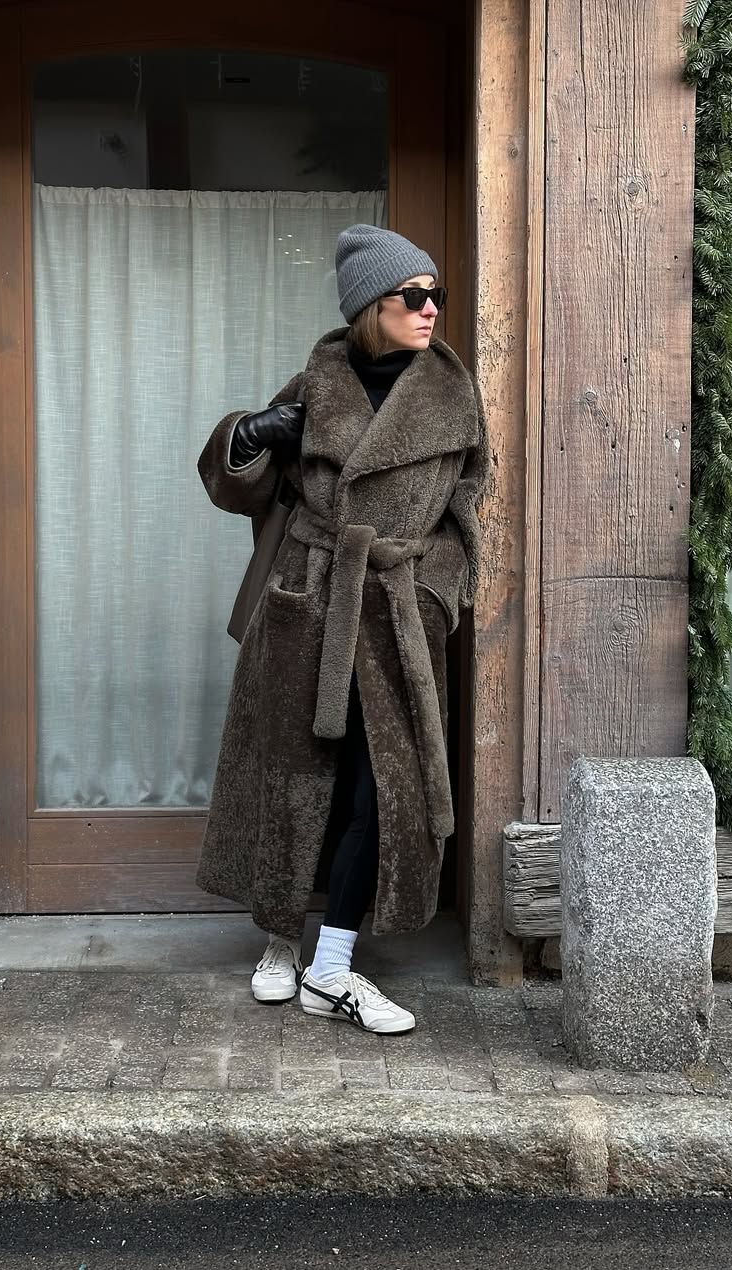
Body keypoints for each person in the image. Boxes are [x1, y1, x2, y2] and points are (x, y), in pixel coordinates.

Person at [196, 224, 489, 1034]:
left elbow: (465, 510)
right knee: (292, 777)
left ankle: (333, 963)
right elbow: (235, 487)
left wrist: (436, 592)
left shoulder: (453, 395)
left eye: (436, 294)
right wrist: (249, 433)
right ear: (371, 307)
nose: (431, 310)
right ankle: (279, 943)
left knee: (376, 788)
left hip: (394, 610)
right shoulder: (315, 385)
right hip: (307, 601)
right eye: (413, 296)